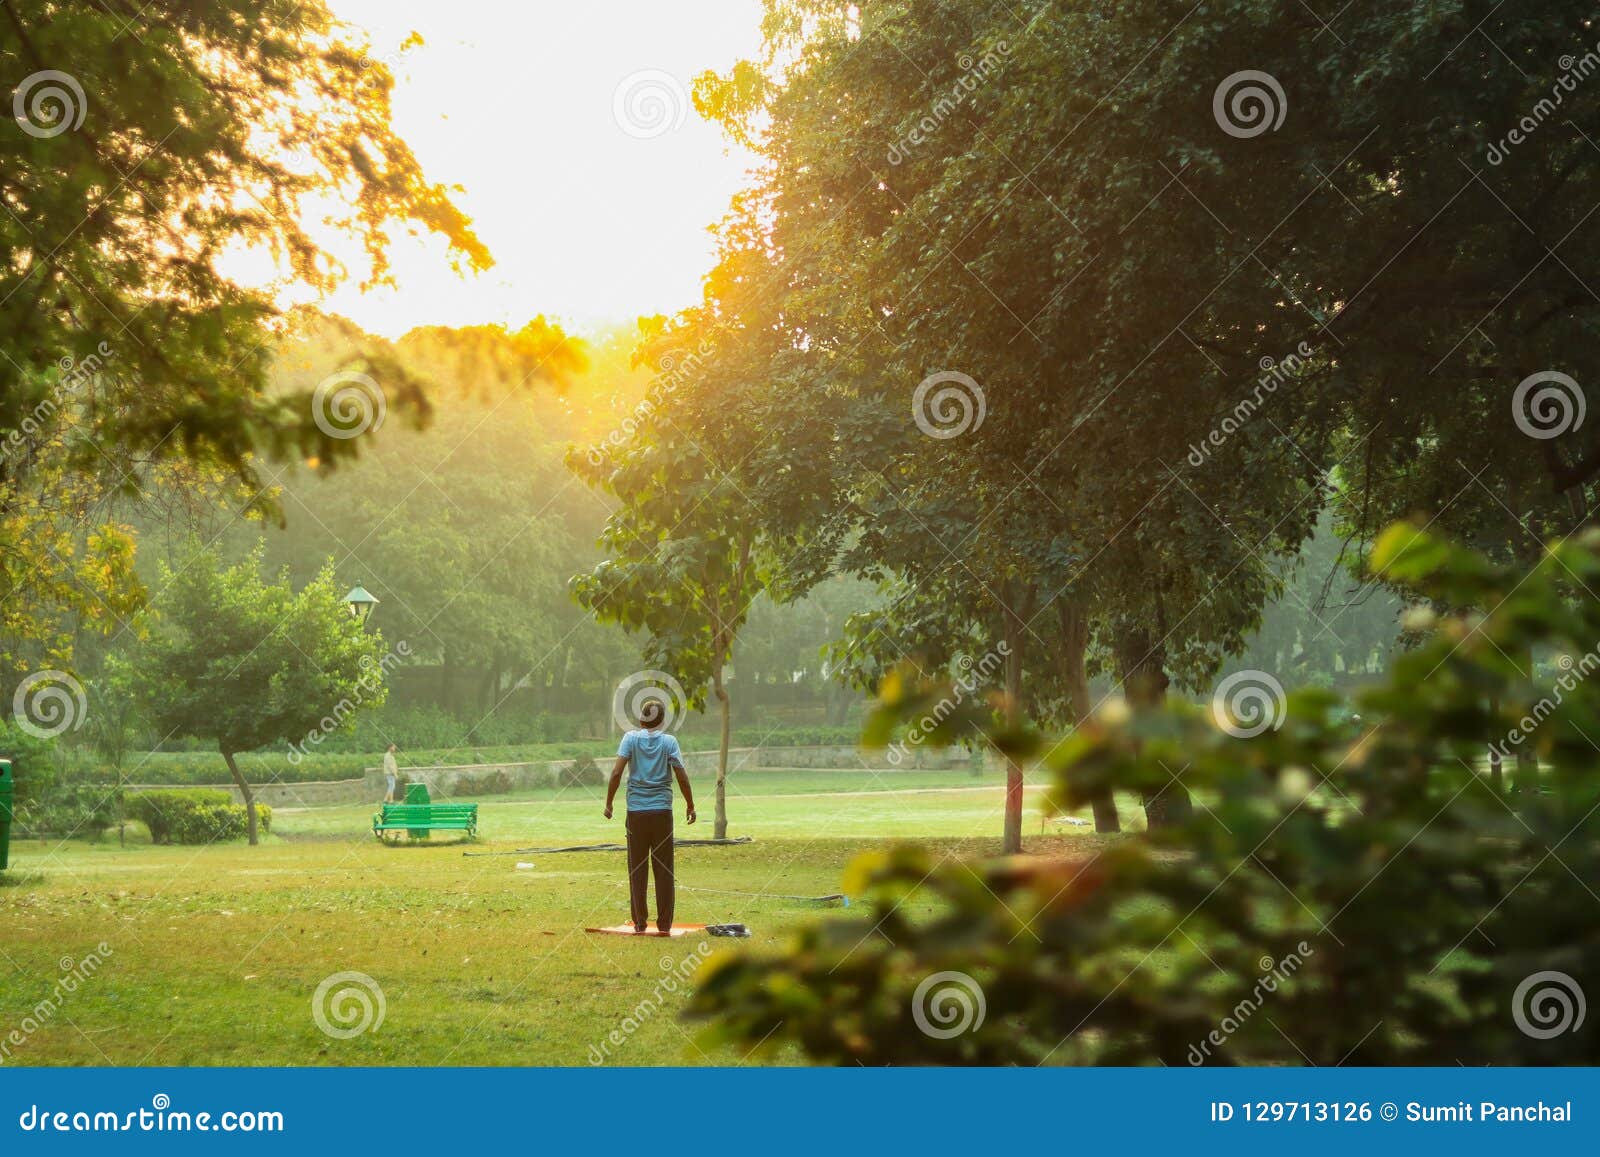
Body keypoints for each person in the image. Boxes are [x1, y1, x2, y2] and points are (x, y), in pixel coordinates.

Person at [604, 700, 695, 934]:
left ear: (641, 720)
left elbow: (616, 772)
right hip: (662, 813)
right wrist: (690, 805)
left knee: (637, 868)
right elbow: (681, 776)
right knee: (664, 869)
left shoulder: (630, 739)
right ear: (662, 721)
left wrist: (609, 803)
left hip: (636, 813)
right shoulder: (669, 742)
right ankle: (664, 924)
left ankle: (640, 923)